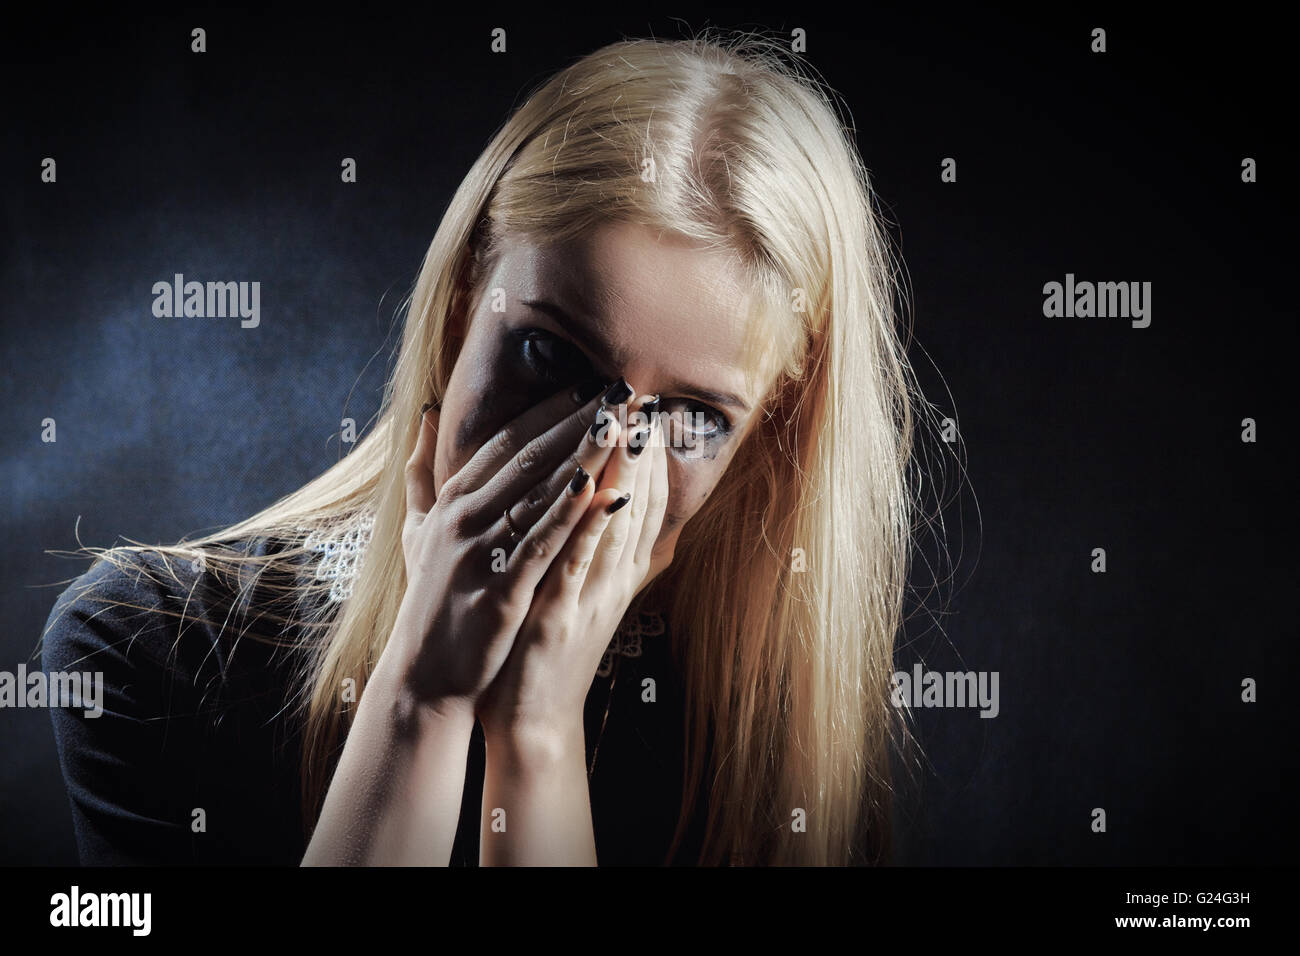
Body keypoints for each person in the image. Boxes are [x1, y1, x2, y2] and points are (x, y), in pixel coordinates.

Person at [42, 31, 925, 866]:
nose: (606, 460)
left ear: (765, 435)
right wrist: (421, 699)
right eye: (552, 357)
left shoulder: (762, 741)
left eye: (693, 417)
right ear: (463, 306)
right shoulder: (152, 651)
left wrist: (538, 731)